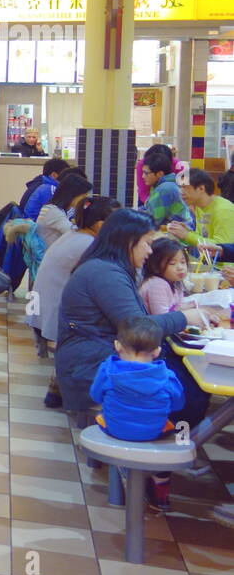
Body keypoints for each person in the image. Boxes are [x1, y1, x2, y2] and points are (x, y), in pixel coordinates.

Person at [55, 209, 216, 429]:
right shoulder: (105, 274)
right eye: (147, 243)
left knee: (188, 375)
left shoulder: (107, 268)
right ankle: (166, 445)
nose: (150, 251)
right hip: (91, 365)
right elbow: (137, 328)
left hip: (96, 355)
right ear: (129, 241)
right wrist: (185, 317)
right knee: (187, 388)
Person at [28, 195, 119, 407]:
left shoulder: (74, 235)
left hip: (42, 308)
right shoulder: (88, 245)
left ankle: (58, 387)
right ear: (100, 225)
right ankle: (76, 390)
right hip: (53, 314)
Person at [91, 317, 186, 511]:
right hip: (153, 433)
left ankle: (125, 470)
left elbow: (95, 395)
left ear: (117, 345)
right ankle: (160, 484)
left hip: (115, 430)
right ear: (157, 351)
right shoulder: (167, 376)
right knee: (170, 423)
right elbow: (178, 404)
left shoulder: (108, 370)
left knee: (103, 413)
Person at [168, 168, 234, 248]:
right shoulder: (199, 207)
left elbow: (222, 247)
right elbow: (203, 238)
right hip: (206, 259)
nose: (181, 192)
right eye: (180, 187)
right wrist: (187, 232)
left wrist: (187, 235)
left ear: (201, 189)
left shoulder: (223, 210)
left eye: (184, 187)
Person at [34, 171, 92, 253]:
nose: (86, 199)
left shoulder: (62, 209)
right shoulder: (52, 211)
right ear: (73, 194)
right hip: (49, 258)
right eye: (84, 195)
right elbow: (74, 234)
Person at [141, 148, 193, 230]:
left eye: (146, 173)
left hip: (181, 235)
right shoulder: (167, 184)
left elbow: (151, 221)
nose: (142, 176)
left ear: (160, 174)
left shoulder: (165, 189)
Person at [138, 237, 190, 317]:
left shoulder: (176, 283)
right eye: (172, 263)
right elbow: (163, 318)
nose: (180, 267)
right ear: (155, 266)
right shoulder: (157, 284)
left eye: (183, 262)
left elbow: (180, 305)